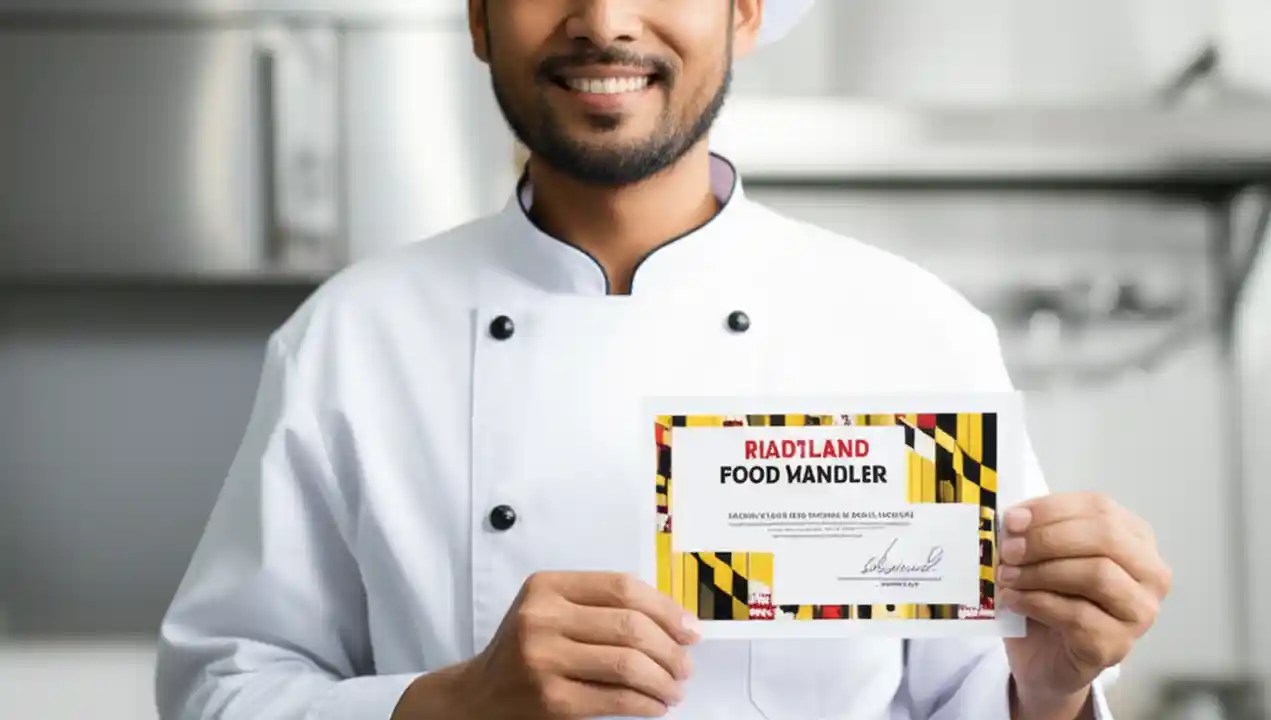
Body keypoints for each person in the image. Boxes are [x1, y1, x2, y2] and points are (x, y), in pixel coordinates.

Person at [155, 1, 1172, 718]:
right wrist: (452, 704)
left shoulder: (911, 328)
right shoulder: (350, 340)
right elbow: (217, 693)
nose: (604, 18)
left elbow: (975, 709)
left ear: (743, 10)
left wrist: (1045, 694)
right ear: (475, 17)